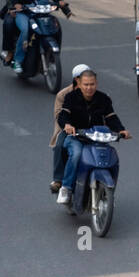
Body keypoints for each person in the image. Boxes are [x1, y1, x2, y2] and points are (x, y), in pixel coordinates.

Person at [54, 69, 129, 206]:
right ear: (80, 84)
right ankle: (66, 188)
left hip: (97, 138)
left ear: (96, 83)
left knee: (111, 158)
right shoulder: (71, 97)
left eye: (92, 84)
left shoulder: (103, 99)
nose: (89, 88)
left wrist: (121, 130)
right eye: (86, 84)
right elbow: (63, 115)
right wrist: (67, 125)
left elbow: (111, 117)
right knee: (76, 154)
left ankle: (108, 191)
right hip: (76, 137)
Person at [49, 63, 89, 195]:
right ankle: (58, 179)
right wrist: (69, 126)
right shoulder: (63, 95)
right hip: (67, 130)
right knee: (59, 145)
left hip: (90, 130)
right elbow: (59, 115)